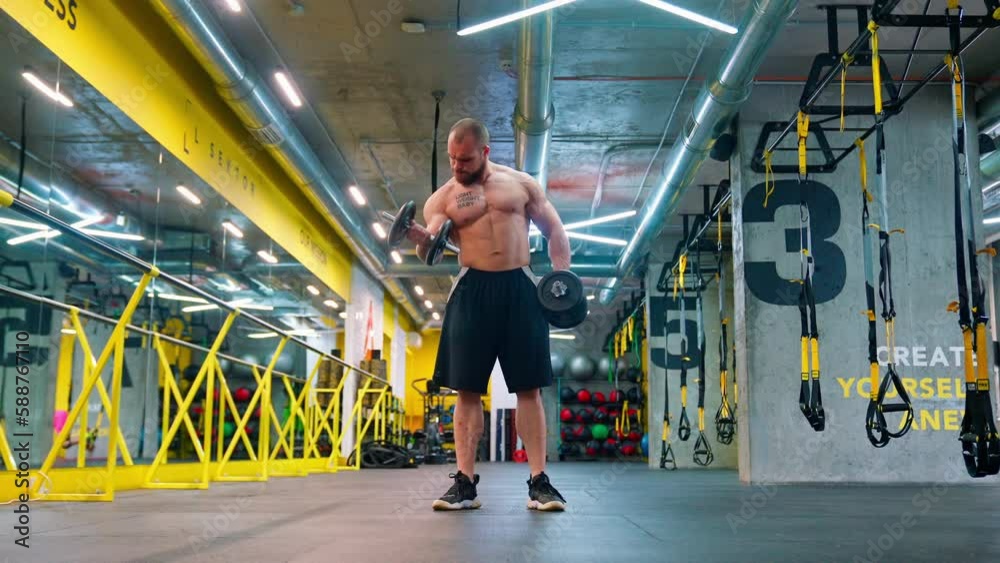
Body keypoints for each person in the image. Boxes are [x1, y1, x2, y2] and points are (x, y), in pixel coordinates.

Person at [418, 118, 571, 512]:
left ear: (485, 152)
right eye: (452, 159)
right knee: (466, 389)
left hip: (520, 286)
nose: (456, 166)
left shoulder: (520, 184)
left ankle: (539, 483)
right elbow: (431, 244)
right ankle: (465, 484)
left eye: (465, 159)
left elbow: (554, 229)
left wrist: (562, 276)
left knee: (529, 388)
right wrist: (419, 237)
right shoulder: (443, 198)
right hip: (471, 289)